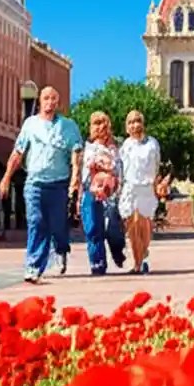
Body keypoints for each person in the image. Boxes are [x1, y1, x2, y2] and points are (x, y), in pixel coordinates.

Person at [0, 86, 82, 283]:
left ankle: (61, 249)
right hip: (34, 183)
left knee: (58, 225)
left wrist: (75, 180)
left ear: (58, 102)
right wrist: (6, 177)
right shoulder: (30, 124)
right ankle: (34, 267)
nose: (50, 102)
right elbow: (18, 153)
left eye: (53, 98)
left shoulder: (68, 126)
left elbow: (76, 154)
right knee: (37, 222)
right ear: (39, 101)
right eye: (46, 98)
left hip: (59, 184)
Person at [118, 110, 168, 274]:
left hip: (146, 188)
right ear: (127, 127)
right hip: (130, 188)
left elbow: (156, 166)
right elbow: (122, 168)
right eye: (131, 122)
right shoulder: (125, 145)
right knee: (132, 224)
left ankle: (142, 257)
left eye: (137, 121)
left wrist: (157, 186)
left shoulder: (152, 144)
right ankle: (137, 261)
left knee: (144, 224)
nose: (135, 125)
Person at [78, 111, 127, 275]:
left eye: (103, 123)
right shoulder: (86, 148)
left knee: (114, 230)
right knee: (93, 228)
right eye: (96, 123)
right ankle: (97, 263)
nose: (100, 127)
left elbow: (119, 171)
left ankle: (118, 252)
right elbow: (83, 172)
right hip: (91, 192)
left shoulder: (115, 149)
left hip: (111, 194)